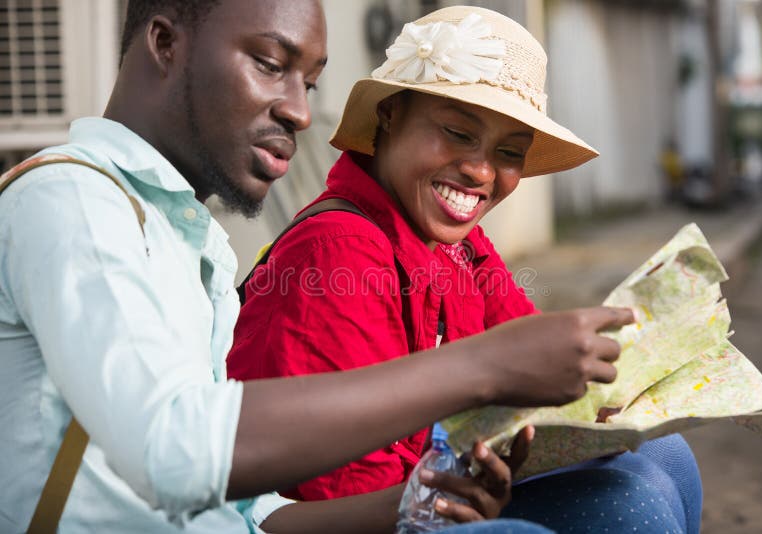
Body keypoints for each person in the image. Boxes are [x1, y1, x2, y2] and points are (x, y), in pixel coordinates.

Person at [0, 1, 633, 532]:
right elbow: (171, 449)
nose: (300, 112)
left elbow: (254, 512)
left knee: (643, 475)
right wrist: (486, 368)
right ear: (165, 43)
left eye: (309, 84)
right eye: (271, 66)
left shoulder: (193, 242)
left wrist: (419, 504)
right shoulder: (71, 200)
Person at [229, 6, 702, 533]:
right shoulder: (335, 252)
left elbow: (526, 351)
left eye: (507, 153)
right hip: (355, 516)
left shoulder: (462, 247)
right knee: (625, 505)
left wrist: (601, 395)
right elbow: (350, 489)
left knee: (662, 454)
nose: (479, 171)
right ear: (389, 114)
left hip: (438, 487)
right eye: (457, 132)